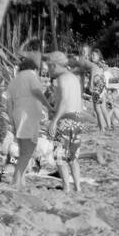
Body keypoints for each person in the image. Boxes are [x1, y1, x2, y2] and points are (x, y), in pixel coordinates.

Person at [7, 55, 47, 188]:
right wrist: (48, 106)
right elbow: (37, 93)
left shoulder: (14, 80)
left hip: (17, 115)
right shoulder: (31, 76)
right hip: (29, 115)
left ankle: (21, 180)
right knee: (29, 150)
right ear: (34, 69)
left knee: (23, 150)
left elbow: (9, 103)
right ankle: (16, 178)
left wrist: (12, 121)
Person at [47, 53, 84, 194]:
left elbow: (64, 101)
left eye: (49, 67)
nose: (49, 70)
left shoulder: (62, 78)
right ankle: (78, 187)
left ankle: (67, 187)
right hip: (77, 118)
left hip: (66, 120)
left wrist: (54, 120)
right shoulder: (73, 77)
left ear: (54, 65)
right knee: (73, 157)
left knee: (59, 156)